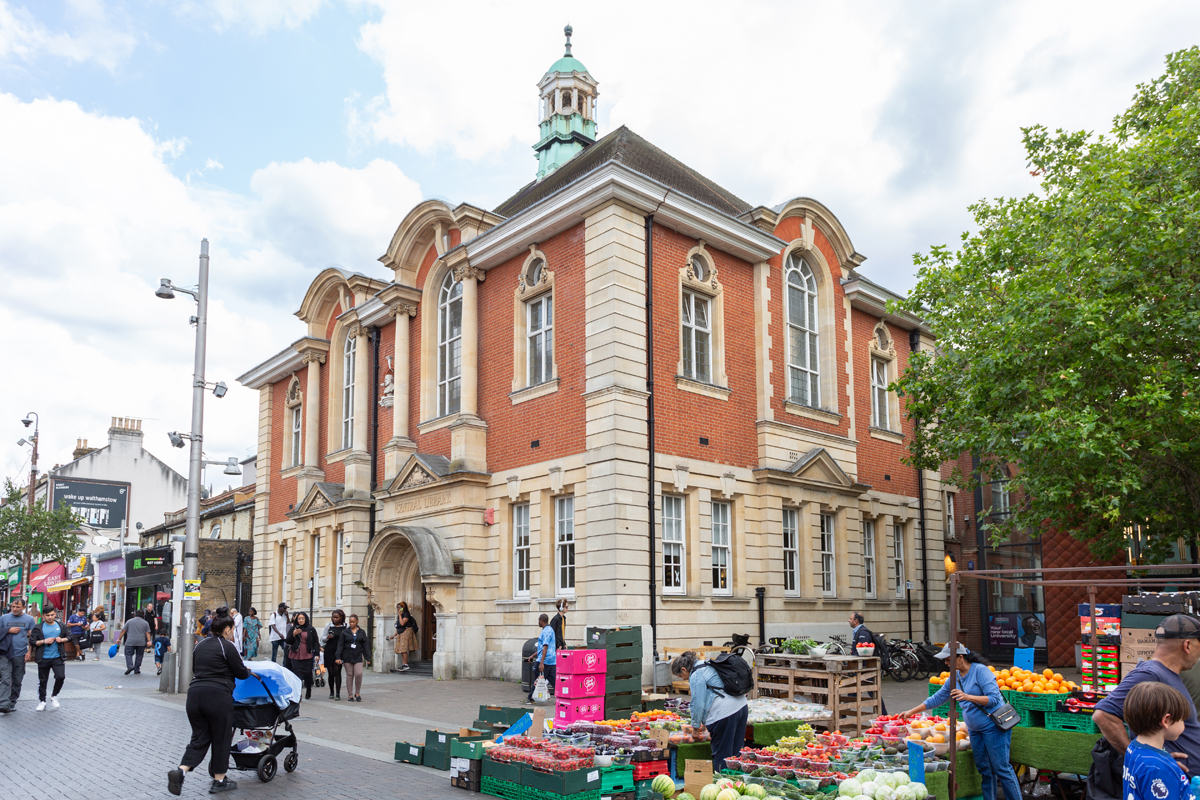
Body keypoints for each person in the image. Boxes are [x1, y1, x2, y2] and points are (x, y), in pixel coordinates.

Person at [900, 643, 1020, 800]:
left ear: (960, 657)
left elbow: (993, 699)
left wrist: (968, 696)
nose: (946, 663)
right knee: (984, 769)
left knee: (1001, 768)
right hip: (975, 730)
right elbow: (936, 698)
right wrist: (911, 711)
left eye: (948, 660)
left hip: (993, 727)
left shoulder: (980, 671)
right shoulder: (954, 677)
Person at [1094, 615, 1200, 774]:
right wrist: (1139, 759)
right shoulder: (1150, 673)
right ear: (1188, 645)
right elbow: (1102, 715)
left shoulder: (1165, 673)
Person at [167, 615, 251, 796]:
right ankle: (219, 780)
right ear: (227, 629)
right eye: (232, 630)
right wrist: (248, 671)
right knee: (221, 738)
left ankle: (181, 771)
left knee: (199, 738)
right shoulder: (227, 646)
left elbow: (196, 669)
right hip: (217, 697)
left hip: (195, 695)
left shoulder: (200, 645)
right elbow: (241, 672)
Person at [670, 651, 746, 771]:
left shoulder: (696, 674)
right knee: (737, 753)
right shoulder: (706, 663)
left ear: (684, 669)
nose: (683, 679)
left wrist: (695, 728)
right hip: (741, 706)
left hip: (724, 713)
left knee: (723, 756)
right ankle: (738, 784)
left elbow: (698, 704)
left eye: (680, 676)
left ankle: (722, 784)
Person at [1123, 681, 1193, 800]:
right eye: (1182, 719)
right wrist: (1164, 766)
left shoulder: (1134, 747)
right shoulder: (1157, 767)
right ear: (1166, 721)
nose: (1183, 724)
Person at [849, 611, 888, 714]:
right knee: (851, 693)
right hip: (860, 669)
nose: (849, 620)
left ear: (855, 621)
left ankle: (884, 715)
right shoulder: (859, 632)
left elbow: (864, 650)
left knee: (873, 693)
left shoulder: (863, 633)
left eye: (850, 618)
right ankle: (842, 716)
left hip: (865, 670)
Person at [1, 598, 37, 709]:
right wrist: (8, 630)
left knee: (17, 679)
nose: (15, 609)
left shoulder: (29, 619)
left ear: (24, 608)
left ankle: (11, 703)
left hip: (20, 653)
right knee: (5, 679)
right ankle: (3, 703)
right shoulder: (3, 618)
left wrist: (29, 651)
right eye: (13, 607)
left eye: (18, 607)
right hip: (5, 653)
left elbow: (33, 636)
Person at [31, 606, 69, 712]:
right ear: (43, 616)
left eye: (52, 615)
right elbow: (32, 641)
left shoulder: (61, 625)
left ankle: (54, 695)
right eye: (47, 615)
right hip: (43, 657)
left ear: (55, 614)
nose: (50, 617)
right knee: (43, 681)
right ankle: (42, 701)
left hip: (58, 656)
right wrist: (44, 641)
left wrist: (62, 639)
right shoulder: (38, 627)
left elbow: (70, 636)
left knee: (60, 677)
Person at [335, 613, 369, 702]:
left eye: (353, 622)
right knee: (349, 675)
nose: (352, 624)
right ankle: (350, 695)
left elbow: (365, 645)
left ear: (357, 622)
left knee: (358, 674)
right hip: (347, 655)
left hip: (358, 655)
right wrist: (338, 656)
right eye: (350, 622)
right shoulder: (344, 632)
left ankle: (357, 693)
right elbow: (340, 645)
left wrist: (368, 657)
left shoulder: (361, 632)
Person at [286, 611, 318, 700]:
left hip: (307, 653)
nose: (301, 620)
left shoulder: (311, 629)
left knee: (308, 674)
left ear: (306, 619)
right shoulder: (293, 628)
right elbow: (287, 641)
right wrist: (294, 634)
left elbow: (316, 642)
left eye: (302, 619)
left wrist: (317, 654)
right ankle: (298, 694)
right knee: (297, 675)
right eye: (299, 619)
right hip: (295, 654)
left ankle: (308, 689)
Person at [526, 613, 557, 703]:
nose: (538, 623)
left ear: (541, 621)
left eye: (538, 621)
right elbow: (542, 648)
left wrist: (541, 663)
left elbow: (545, 647)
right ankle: (563, 696)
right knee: (554, 681)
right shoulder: (550, 630)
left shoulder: (546, 632)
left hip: (545, 660)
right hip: (552, 660)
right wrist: (532, 656)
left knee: (537, 679)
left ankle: (531, 697)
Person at [119, 608, 152, 675]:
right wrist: (149, 641)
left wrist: (119, 638)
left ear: (134, 614)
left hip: (130, 641)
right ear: (143, 615)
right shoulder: (145, 623)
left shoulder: (129, 621)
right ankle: (137, 669)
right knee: (139, 655)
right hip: (141, 642)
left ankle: (130, 666)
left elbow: (123, 630)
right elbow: (148, 633)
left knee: (128, 654)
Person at [323, 609, 348, 699]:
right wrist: (327, 637)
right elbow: (322, 638)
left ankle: (338, 693)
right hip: (329, 651)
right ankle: (331, 692)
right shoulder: (329, 626)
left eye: (337, 617)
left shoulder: (345, 626)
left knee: (338, 672)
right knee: (331, 673)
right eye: (334, 617)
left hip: (340, 652)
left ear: (341, 618)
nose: (335, 619)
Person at [387, 602, 417, 671]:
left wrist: (400, 615)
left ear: (403, 607)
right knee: (401, 649)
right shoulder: (400, 615)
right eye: (397, 607)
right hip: (400, 632)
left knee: (404, 649)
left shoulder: (406, 614)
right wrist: (394, 635)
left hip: (406, 632)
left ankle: (405, 664)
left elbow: (402, 623)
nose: (398, 609)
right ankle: (403, 664)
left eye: (400, 607)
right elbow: (398, 626)